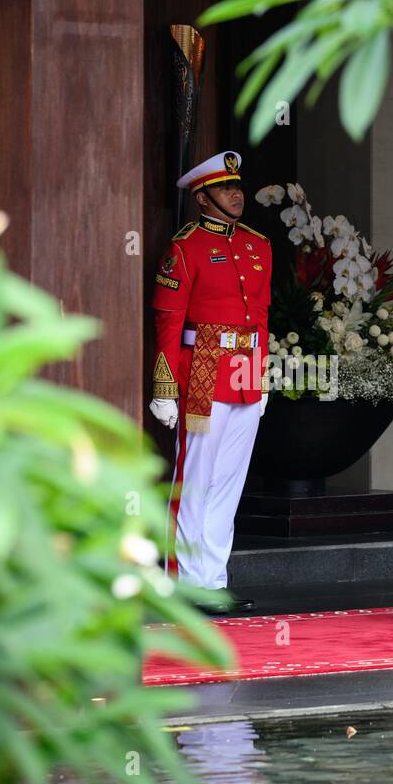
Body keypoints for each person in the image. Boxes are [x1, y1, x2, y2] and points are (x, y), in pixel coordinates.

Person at [149, 151, 271, 614]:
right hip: (199, 370)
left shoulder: (259, 246)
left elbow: (260, 319)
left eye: (237, 187)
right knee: (194, 482)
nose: (236, 195)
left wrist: (260, 377)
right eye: (225, 189)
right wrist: (164, 387)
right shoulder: (184, 248)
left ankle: (213, 580)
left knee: (227, 484)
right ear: (202, 197)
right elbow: (167, 321)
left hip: (244, 376)